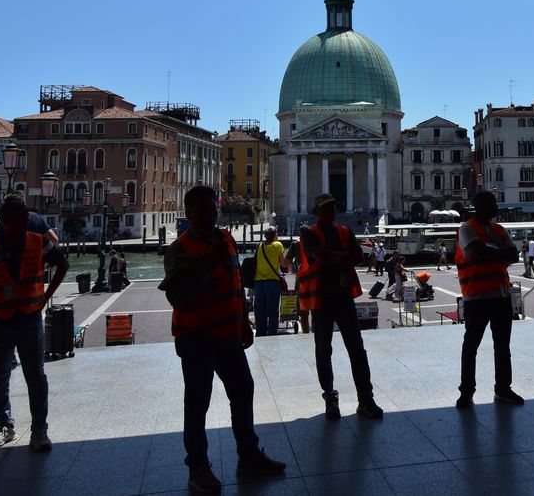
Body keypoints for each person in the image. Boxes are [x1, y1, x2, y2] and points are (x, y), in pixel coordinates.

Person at [159, 186, 285, 492]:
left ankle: (248, 455)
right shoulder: (179, 249)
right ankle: (198, 468)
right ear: (188, 213)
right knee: (197, 402)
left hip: (228, 334)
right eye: (201, 209)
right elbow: (177, 296)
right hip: (196, 337)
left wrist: (244, 321)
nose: (209, 213)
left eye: (212, 208)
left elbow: (236, 282)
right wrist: (207, 262)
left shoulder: (226, 239)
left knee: (243, 390)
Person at [0, 197, 69, 451]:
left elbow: (63, 264)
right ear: (6, 221)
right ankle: (5, 424)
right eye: (21, 217)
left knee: (35, 375)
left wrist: (46, 297)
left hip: (28, 316)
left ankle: (39, 429)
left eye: (26, 216)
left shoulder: (39, 242)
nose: (27, 220)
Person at [298, 193, 383, 420]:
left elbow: (359, 257)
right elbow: (323, 256)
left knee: (357, 348)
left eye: (333, 207)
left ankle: (366, 398)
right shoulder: (308, 234)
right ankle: (330, 397)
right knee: (324, 350)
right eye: (326, 208)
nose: (331, 211)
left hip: (342, 297)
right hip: (322, 300)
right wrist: (345, 257)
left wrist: (338, 257)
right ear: (316, 212)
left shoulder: (344, 231)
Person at [454, 190, 523, 409]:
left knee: (502, 346)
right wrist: (499, 252)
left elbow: (513, 255)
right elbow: (479, 252)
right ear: (480, 206)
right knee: (471, 346)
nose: (495, 206)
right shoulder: (467, 228)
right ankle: (467, 391)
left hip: (500, 295)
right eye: (491, 203)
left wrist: (491, 251)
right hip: (476, 297)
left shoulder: (499, 229)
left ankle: (503, 388)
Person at [253, 227, 287, 336]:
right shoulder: (278, 245)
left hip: (258, 282)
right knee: (272, 309)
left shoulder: (259, 246)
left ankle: (260, 332)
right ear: (274, 235)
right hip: (272, 282)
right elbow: (283, 263)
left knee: (260, 310)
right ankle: (272, 333)